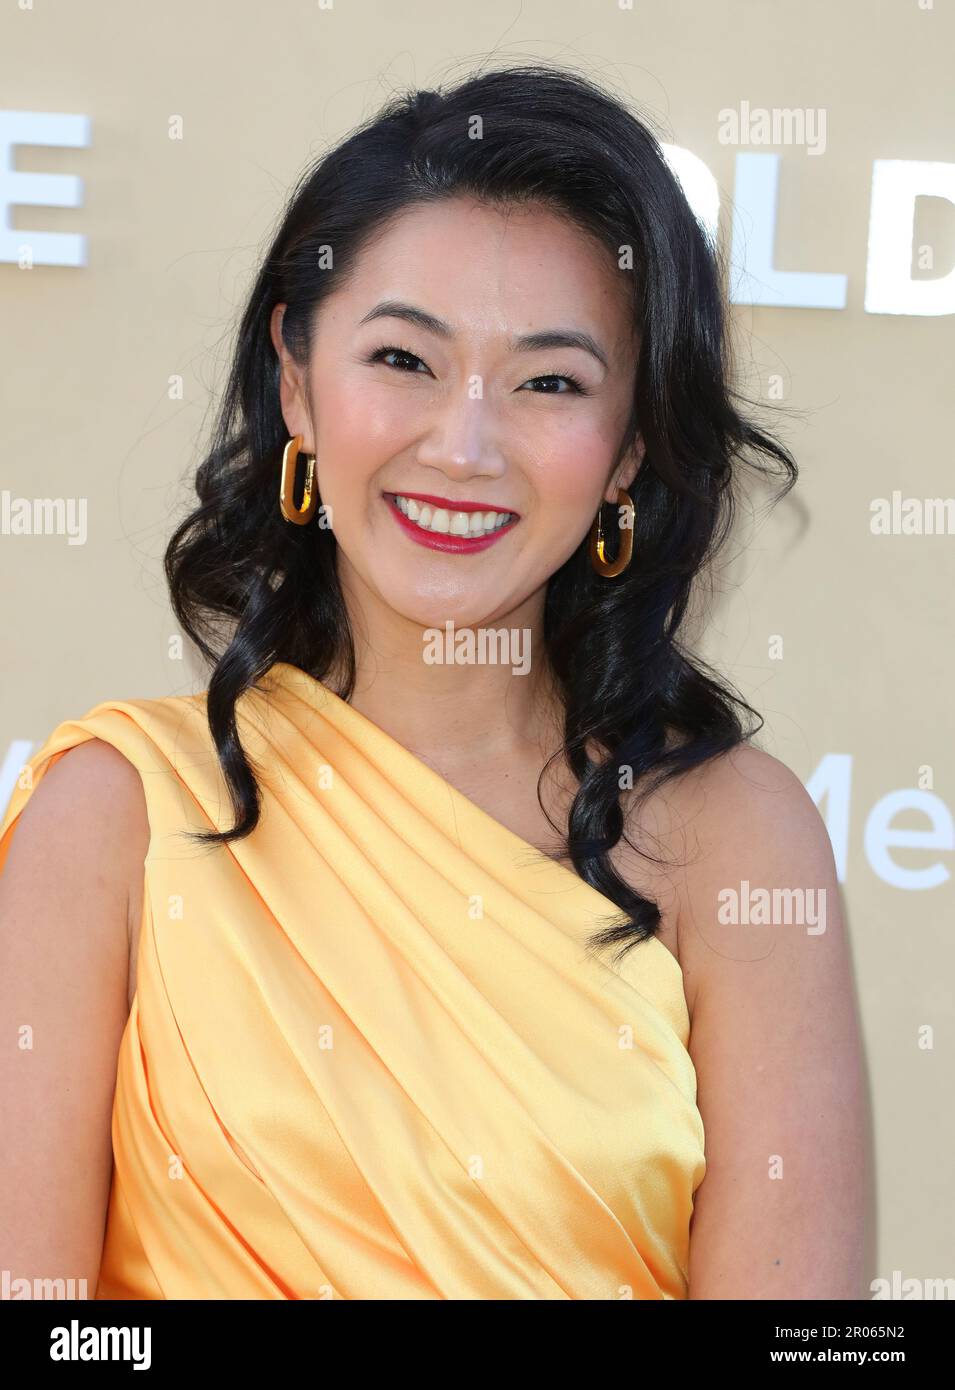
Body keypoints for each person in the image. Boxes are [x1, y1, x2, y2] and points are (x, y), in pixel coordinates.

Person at [0, 61, 866, 1300]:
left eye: (549, 382)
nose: (461, 444)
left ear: (627, 448)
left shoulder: (736, 841)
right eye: (404, 359)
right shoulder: (113, 811)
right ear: (296, 380)